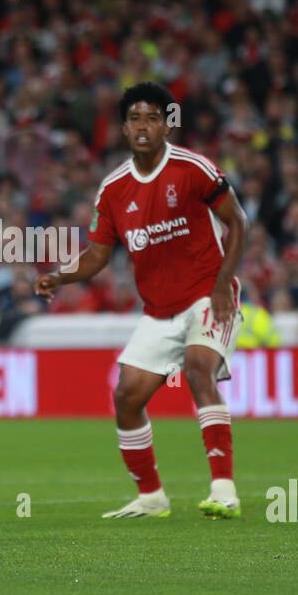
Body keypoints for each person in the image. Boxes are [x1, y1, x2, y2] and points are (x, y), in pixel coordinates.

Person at [35, 82, 248, 520]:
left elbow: (237, 221)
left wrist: (224, 282)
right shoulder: (114, 188)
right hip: (158, 312)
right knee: (127, 396)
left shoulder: (193, 168)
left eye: (153, 118)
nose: (144, 126)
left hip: (209, 296)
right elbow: (97, 254)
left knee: (198, 368)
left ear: (168, 125)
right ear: (124, 127)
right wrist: (61, 276)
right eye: (135, 118)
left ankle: (224, 490)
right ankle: (152, 497)